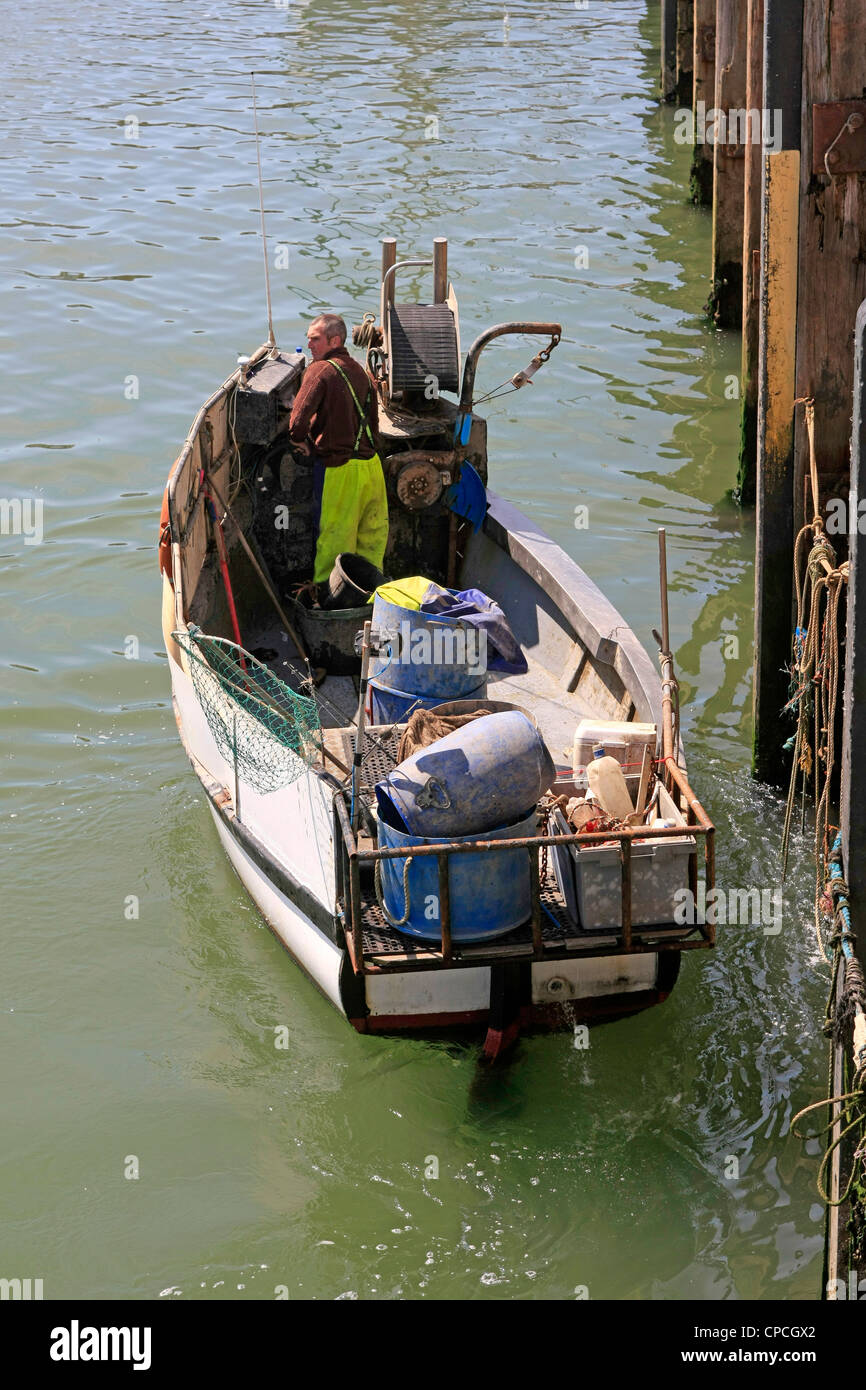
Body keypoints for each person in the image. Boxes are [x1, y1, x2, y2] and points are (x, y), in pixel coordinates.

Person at [289, 313, 389, 596]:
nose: (309, 344)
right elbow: (373, 422)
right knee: (371, 538)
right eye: (308, 338)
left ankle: (323, 596)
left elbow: (296, 423)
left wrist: (300, 440)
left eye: (315, 339)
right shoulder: (361, 372)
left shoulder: (320, 370)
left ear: (335, 340)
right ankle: (371, 598)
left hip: (340, 470)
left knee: (334, 539)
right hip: (371, 469)